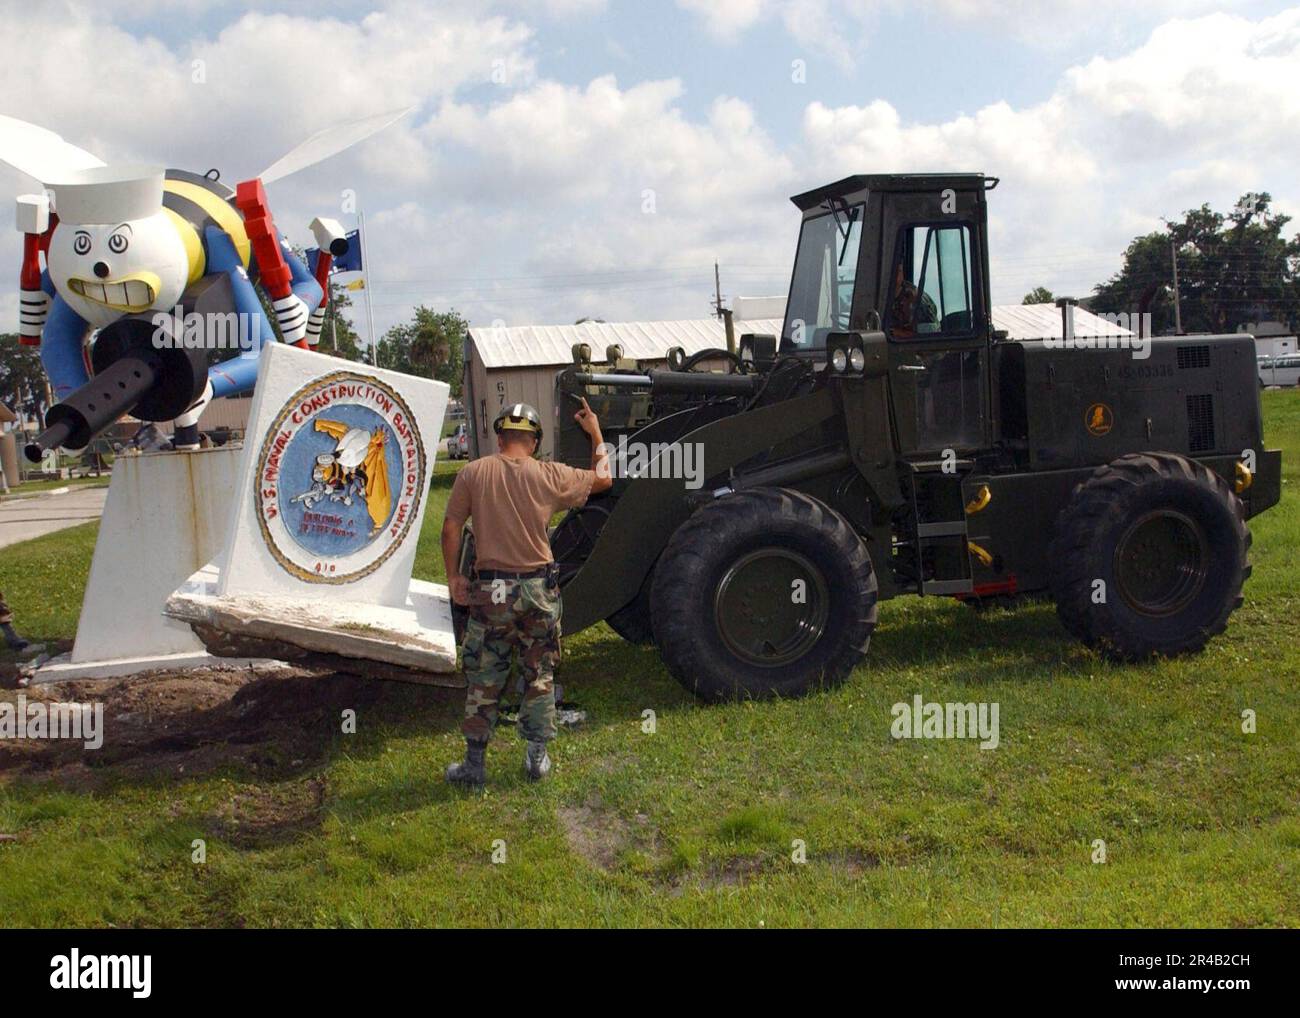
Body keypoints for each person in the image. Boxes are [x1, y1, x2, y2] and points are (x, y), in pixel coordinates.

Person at [441, 399, 612, 786]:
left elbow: (451, 528)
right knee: (539, 673)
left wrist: (454, 578)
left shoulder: (472, 473)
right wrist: (595, 432)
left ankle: (474, 765)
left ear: (500, 438)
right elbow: (604, 479)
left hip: (492, 591)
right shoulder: (550, 475)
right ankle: (536, 759)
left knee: (485, 676)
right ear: (534, 442)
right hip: (538, 589)